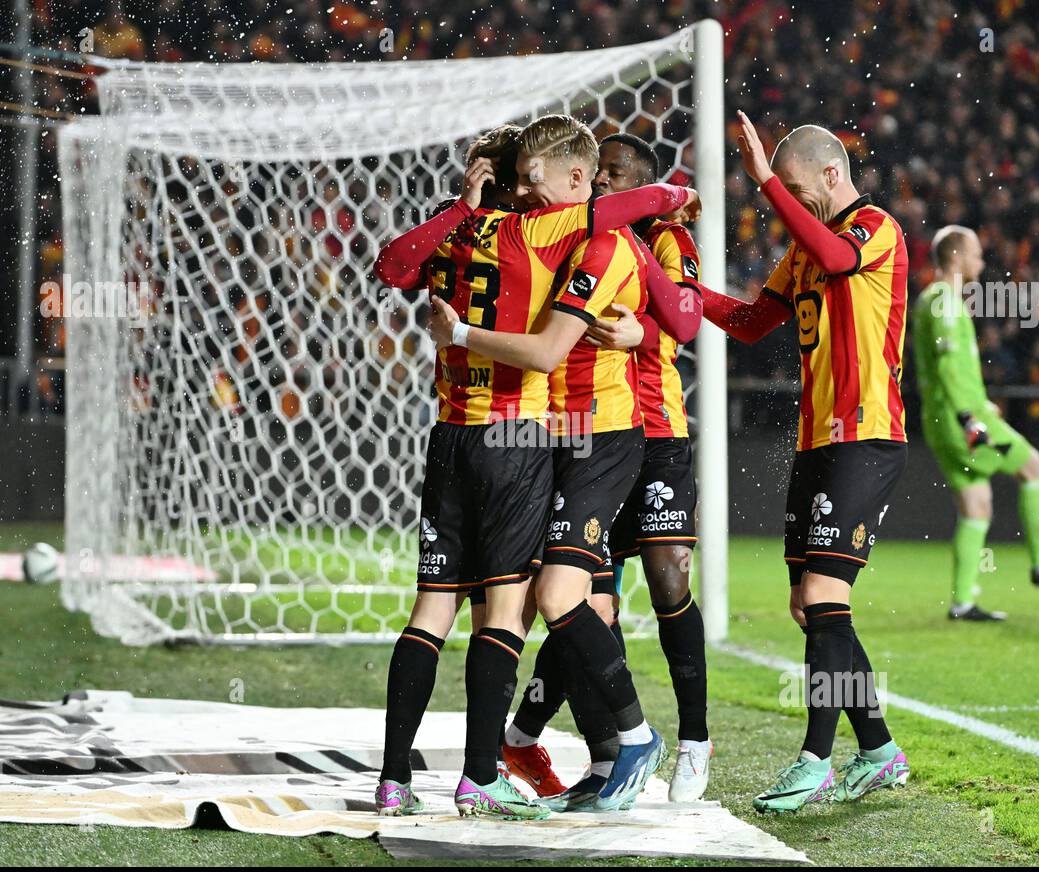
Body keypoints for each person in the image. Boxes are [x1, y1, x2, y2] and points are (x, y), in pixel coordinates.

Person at [372, 121, 696, 819]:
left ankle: (395, 780)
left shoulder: (452, 234)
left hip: (452, 439)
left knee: (433, 611)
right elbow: (610, 214)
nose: (525, 188)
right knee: (517, 610)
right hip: (521, 439)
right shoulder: (538, 233)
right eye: (520, 178)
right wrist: (669, 193)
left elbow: (391, 268)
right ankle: (487, 772)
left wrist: (458, 209)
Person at [702, 113, 910, 813]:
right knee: (808, 606)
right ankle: (878, 747)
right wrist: (669, 287)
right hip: (815, 441)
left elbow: (838, 257)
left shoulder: (873, 228)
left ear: (832, 174)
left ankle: (815, 759)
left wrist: (763, 180)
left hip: (865, 436)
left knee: (825, 599)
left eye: (796, 189)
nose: (788, 202)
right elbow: (750, 324)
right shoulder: (804, 251)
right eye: (781, 190)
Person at [501, 132, 713, 804]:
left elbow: (684, 322)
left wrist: (642, 332)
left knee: (667, 578)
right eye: (600, 175)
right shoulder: (569, 233)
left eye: (617, 176)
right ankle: (599, 757)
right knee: (587, 600)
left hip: (650, 431)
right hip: (577, 429)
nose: (603, 187)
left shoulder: (665, 241)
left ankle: (694, 741)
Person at [910, 225, 1039, 621]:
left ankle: (962, 603)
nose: (981, 261)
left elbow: (948, 369)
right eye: (975, 253)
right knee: (1035, 468)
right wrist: (970, 415)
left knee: (976, 507)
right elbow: (946, 366)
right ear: (957, 257)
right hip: (964, 421)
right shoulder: (944, 301)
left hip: (941, 419)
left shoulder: (930, 300)